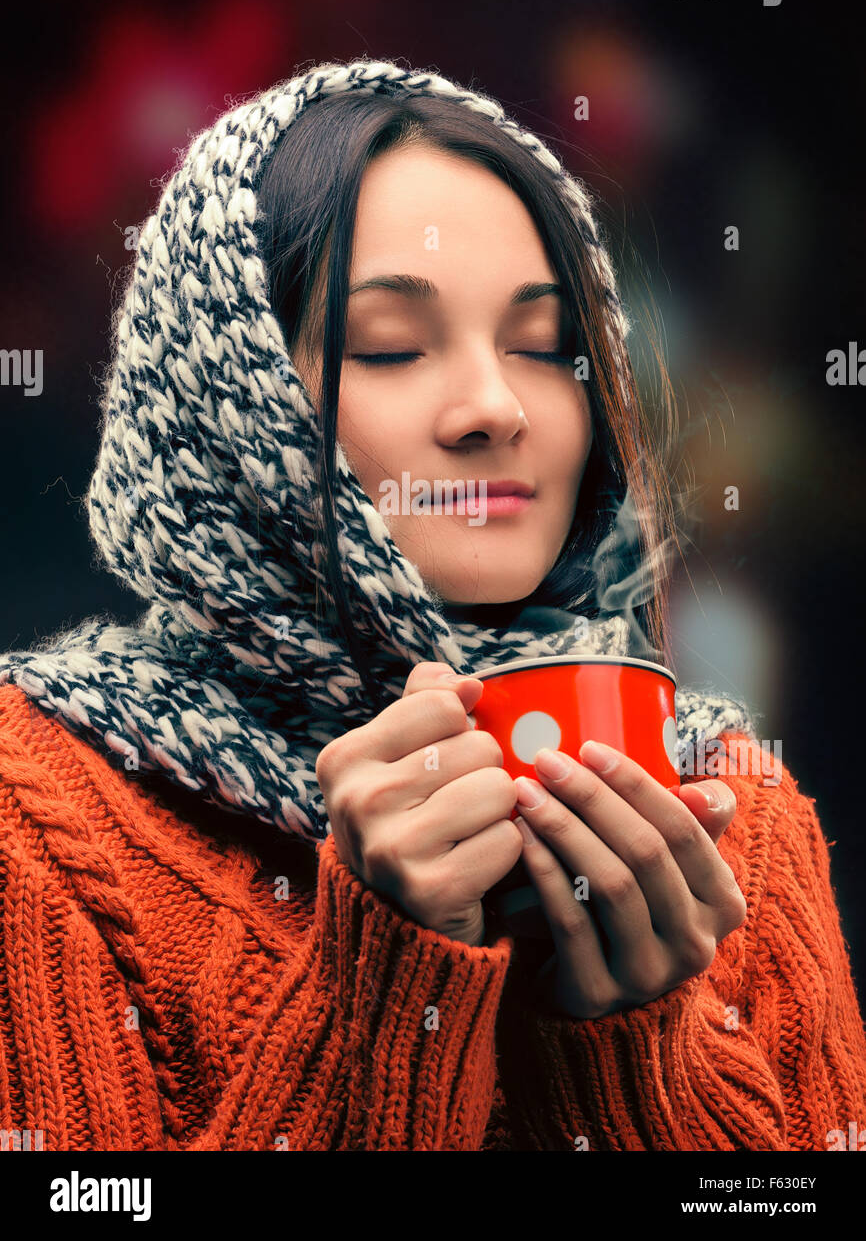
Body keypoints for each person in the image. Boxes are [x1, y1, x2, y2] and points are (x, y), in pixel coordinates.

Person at [0, 58, 864, 1152]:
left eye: (544, 346)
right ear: (230, 405)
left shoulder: (734, 818)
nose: (496, 407)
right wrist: (389, 995)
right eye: (393, 347)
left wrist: (633, 1061)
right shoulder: (39, 818)